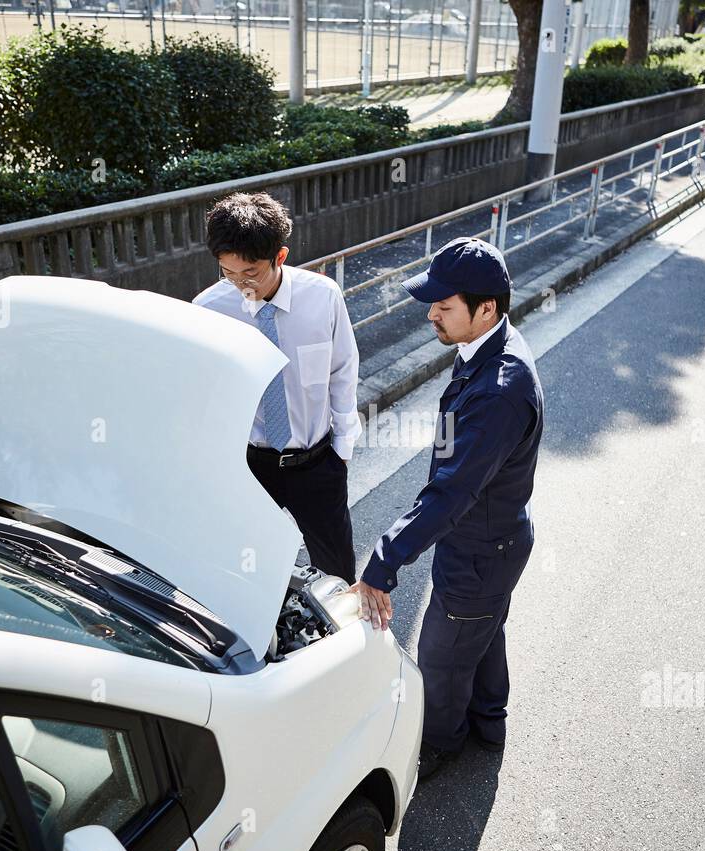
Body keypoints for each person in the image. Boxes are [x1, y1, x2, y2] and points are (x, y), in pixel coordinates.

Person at [350, 237, 544, 781]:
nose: (430, 314)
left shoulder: (498, 389)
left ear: (486, 308)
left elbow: (452, 494)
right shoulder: (490, 347)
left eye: (444, 305)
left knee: (441, 654)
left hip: (478, 546)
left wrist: (383, 561)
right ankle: (489, 722)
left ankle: (440, 742)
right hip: (496, 538)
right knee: (483, 631)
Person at [194, 192, 362, 582]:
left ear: (280, 257)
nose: (240, 284)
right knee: (243, 570)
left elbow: (342, 371)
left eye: (250, 272)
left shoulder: (323, 298)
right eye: (228, 272)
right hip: (251, 467)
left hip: (317, 462)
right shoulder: (208, 310)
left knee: (337, 573)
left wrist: (342, 450)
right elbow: (206, 393)